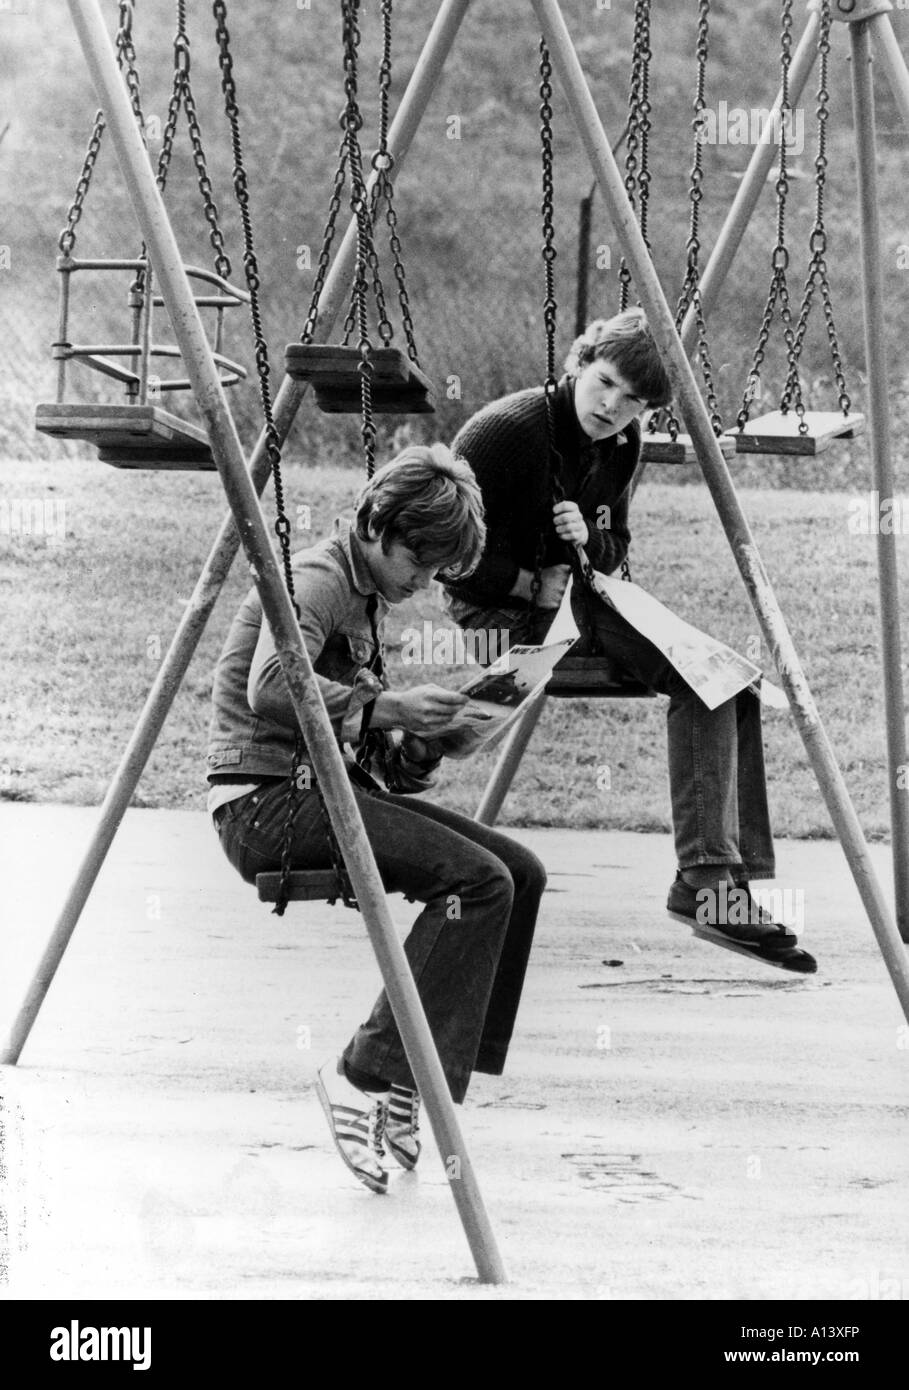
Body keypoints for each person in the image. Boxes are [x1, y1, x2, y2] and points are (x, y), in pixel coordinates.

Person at [206, 444, 547, 1194]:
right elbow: (271, 687)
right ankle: (371, 1074)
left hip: (322, 791)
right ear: (376, 526)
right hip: (264, 804)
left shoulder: (364, 596)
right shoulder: (320, 577)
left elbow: (369, 753)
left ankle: (414, 1074)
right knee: (477, 879)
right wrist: (387, 706)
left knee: (518, 873)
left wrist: (428, 741)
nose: (422, 585)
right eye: (419, 566)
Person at [442, 309, 816, 975]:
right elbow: (442, 556)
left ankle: (712, 884)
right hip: (497, 615)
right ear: (580, 363)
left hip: (582, 601)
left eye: (633, 400)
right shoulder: (506, 433)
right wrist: (529, 583)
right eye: (606, 383)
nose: (612, 407)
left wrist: (590, 538)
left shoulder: (622, 442)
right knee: (703, 674)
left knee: (721, 676)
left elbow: (615, 549)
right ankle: (708, 883)